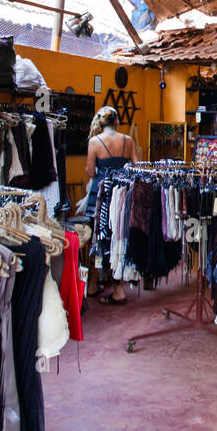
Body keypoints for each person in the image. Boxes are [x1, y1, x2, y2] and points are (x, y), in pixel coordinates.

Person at [84, 106, 140, 303]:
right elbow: (136, 166)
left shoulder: (94, 142)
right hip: (122, 194)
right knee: (118, 237)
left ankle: (93, 284)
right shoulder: (128, 141)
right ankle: (115, 286)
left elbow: (90, 172)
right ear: (117, 122)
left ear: (100, 122)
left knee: (97, 237)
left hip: (101, 196)